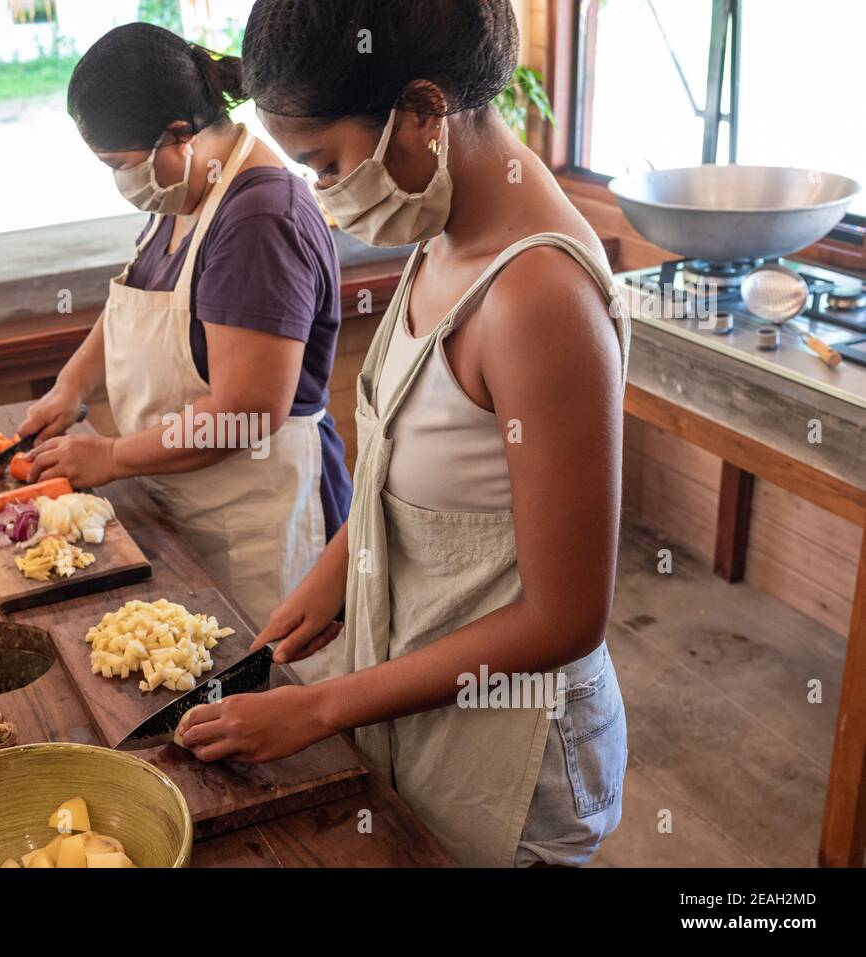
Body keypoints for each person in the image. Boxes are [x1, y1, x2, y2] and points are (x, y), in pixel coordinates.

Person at [179, 0, 629, 867]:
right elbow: (412, 465)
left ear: (424, 112)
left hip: (513, 752)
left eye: (325, 164)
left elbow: (566, 616)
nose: (323, 194)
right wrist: (339, 563)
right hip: (417, 700)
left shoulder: (539, 298)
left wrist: (318, 708)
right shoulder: (444, 225)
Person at [20, 23, 351, 678]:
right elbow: (133, 304)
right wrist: (70, 386)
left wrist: (111, 455)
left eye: (120, 166)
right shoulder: (187, 188)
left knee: (268, 690)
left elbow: (246, 411)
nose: (122, 182)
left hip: (258, 520)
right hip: (187, 503)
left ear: (178, 133)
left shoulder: (260, 219)